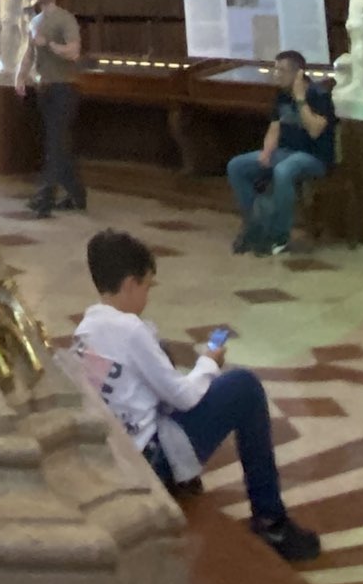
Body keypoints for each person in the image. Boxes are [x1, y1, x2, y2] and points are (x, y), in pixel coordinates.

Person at [74, 229, 321, 562]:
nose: (148, 296)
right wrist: (208, 362)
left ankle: (190, 484)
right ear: (131, 283)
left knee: (163, 353)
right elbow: (183, 397)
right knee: (244, 387)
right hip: (149, 460)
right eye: (147, 286)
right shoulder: (130, 329)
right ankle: (271, 520)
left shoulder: (85, 329)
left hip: (117, 453)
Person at [227, 50, 336, 256]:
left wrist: (301, 99)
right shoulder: (281, 96)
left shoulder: (319, 96)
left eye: (282, 70)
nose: (276, 74)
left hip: (314, 157)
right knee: (237, 166)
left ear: (298, 74)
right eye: (275, 69)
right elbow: (274, 128)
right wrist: (267, 152)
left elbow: (314, 130)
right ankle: (255, 227)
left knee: (284, 170)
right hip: (284, 151)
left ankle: (279, 235)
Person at [16, 0, 85, 217]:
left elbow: (74, 52)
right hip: (44, 87)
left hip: (64, 88)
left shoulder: (65, 19)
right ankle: (77, 194)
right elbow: (29, 53)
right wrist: (20, 76)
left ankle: (45, 196)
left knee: (55, 142)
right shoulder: (34, 21)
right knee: (57, 143)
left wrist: (49, 44)